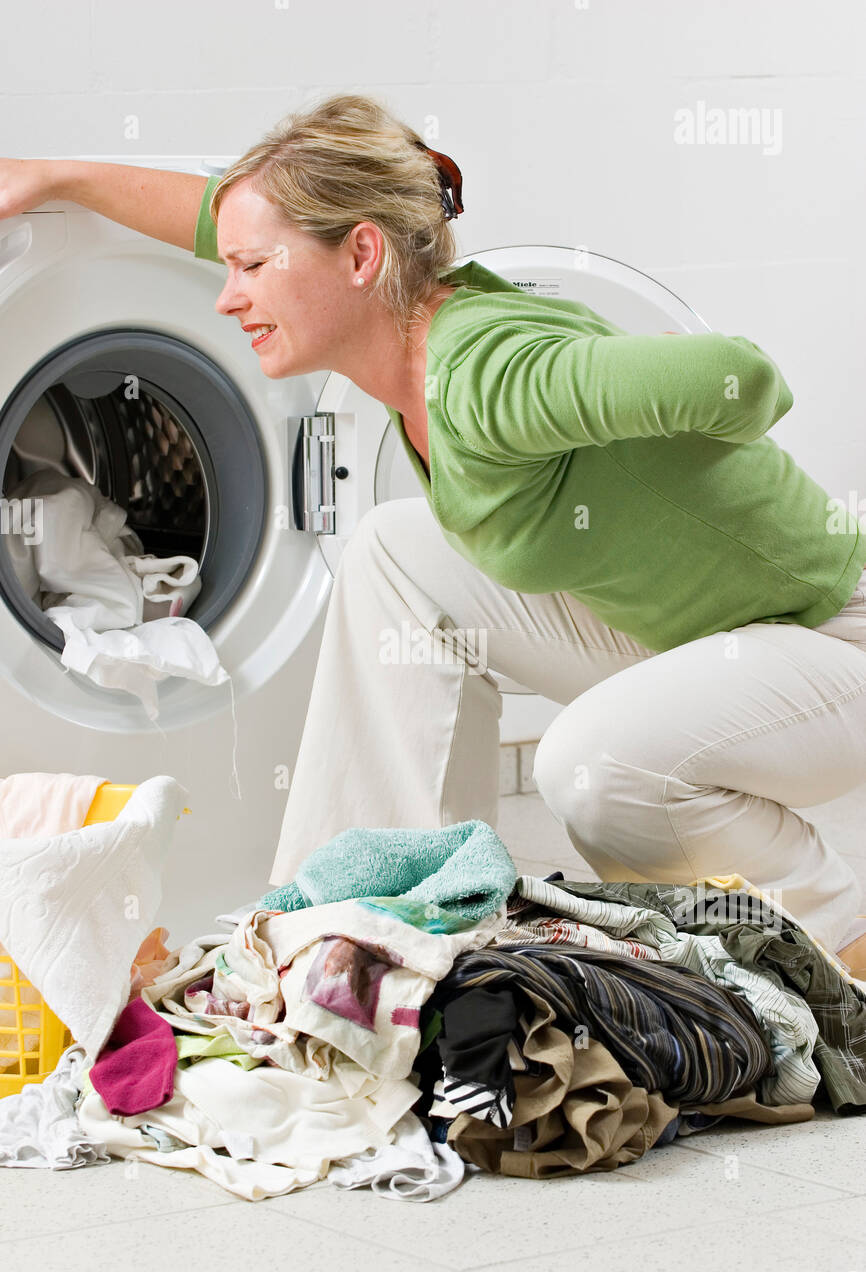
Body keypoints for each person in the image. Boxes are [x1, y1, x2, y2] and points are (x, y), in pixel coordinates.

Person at [3, 92, 866, 971]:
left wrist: (681, 461)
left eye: (252, 268)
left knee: (591, 766)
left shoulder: (488, 373)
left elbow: (743, 377)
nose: (228, 297)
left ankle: (838, 948)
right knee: (389, 553)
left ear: (362, 254)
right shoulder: (404, 327)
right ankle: (367, 930)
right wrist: (54, 176)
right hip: (700, 643)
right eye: (229, 265)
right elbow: (222, 217)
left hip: (829, 642)